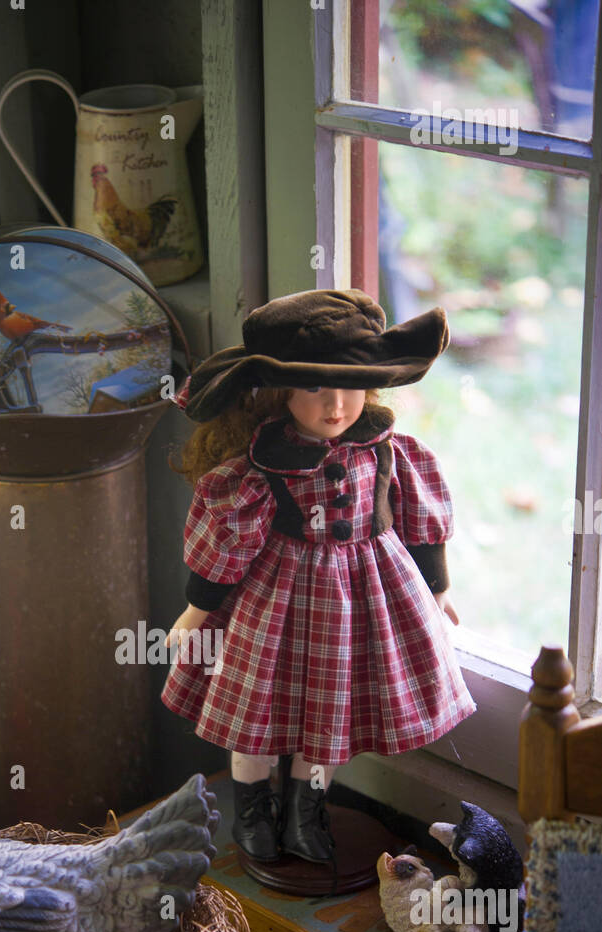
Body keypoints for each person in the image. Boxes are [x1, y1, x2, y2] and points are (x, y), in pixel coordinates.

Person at [162, 288, 476, 866]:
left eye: (349, 386)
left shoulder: (387, 452)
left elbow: (419, 521)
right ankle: (253, 813)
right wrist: (197, 609)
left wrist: (437, 587)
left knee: (328, 717)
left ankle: (307, 816)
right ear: (280, 392)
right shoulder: (260, 467)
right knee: (254, 716)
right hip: (274, 602)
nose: (336, 405)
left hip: (362, 600)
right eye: (314, 388)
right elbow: (227, 544)